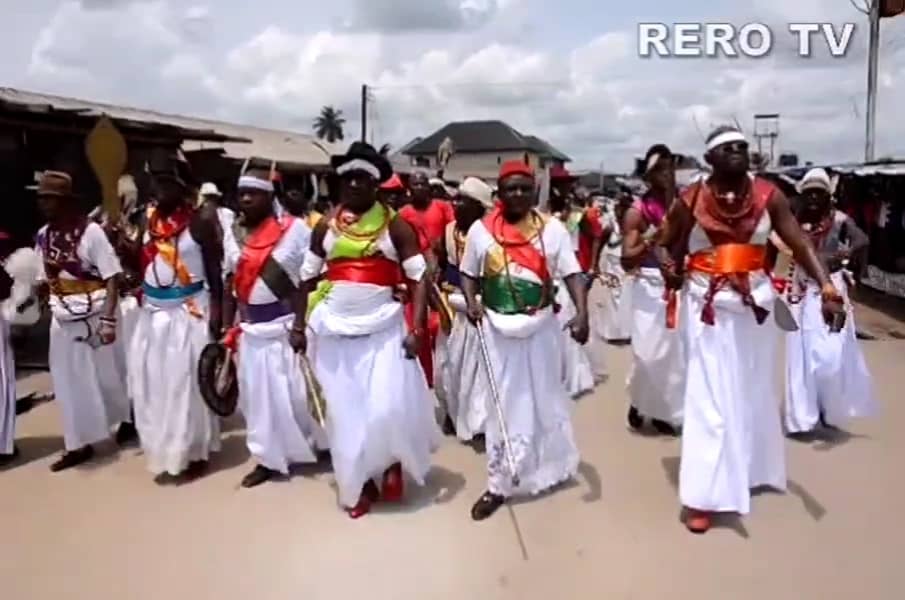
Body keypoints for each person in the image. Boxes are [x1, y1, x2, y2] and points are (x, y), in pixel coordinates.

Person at [657, 127, 846, 533]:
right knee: (709, 399)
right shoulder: (690, 199)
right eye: (729, 148)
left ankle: (747, 470)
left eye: (743, 146)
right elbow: (662, 243)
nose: (739, 152)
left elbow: (799, 243)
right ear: (710, 159)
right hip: (707, 308)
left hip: (755, 309)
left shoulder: (769, 195)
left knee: (750, 391)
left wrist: (828, 286)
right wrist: (669, 266)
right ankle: (703, 496)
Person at [297, 142, 439, 518]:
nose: (355, 185)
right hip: (333, 336)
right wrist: (298, 325)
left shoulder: (396, 226)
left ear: (376, 184)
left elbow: (419, 277)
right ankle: (355, 488)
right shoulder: (324, 228)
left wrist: (418, 327)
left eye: (363, 179)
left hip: (383, 335)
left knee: (385, 409)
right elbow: (306, 278)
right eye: (348, 179)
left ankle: (390, 463)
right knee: (344, 417)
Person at [460, 159, 588, 521]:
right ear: (499, 193)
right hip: (497, 330)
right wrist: (471, 302)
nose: (517, 194)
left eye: (524, 188)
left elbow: (573, 273)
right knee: (503, 402)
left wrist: (583, 312)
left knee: (542, 397)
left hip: (542, 327)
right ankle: (499, 483)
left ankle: (548, 466)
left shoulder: (553, 230)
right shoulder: (481, 232)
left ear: (535, 191)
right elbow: (469, 274)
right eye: (510, 188)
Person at [221, 169, 325, 488]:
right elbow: (229, 281)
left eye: (254, 193)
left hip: (284, 326)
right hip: (251, 330)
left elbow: (307, 280)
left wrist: (299, 325)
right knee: (258, 399)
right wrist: (227, 325)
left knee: (293, 395)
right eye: (242, 194)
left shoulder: (294, 231)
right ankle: (267, 458)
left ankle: (313, 444)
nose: (246, 199)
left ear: (270, 197)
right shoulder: (232, 233)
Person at [128, 151, 223, 480]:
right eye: (156, 182)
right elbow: (135, 265)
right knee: (157, 384)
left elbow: (215, 272)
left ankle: (192, 452)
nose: (160, 188)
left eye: (167, 182)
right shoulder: (145, 222)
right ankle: (163, 447)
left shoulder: (199, 223)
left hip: (190, 312)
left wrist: (218, 318)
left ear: (183, 187)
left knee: (186, 386)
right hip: (153, 315)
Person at [33, 171, 132, 471]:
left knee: (109, 378)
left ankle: (129, 420)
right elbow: (43, 279)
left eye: (49, 198)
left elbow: (112, 277)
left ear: (64, 201)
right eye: (41, 198)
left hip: (95, 316)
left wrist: (109, 321)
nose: (44, 204)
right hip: (62, 320)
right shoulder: (43, 236)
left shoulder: (91, 233)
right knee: (67, 384)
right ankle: (77, 444)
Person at [780, 168, 876, 435]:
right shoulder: (793, 222)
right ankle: (803, 415)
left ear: (827, 197)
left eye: (818, 193)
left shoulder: (840, 220)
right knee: (801, 355)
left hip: (832, 291)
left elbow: (862, 240)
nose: (812, 198)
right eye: (808, 193)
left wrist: (846, 253)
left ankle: (829, 406)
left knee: (831, 354)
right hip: (801, 291)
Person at [621, 145, 685, 436]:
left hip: (680, 285)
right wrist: (650, 239)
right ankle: (639, 401)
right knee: (647, 354)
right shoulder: (638, 211)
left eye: (670, 167)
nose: (667, 174)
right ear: (649, 176)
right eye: (660, 169)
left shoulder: (685, 205)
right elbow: (626, 258)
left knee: (673, 356)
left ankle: (662, 411)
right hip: (648, 286)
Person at [434, 176, 493, 441]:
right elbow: (436, 270)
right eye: (455, 198)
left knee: (478, 368)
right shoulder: (448, 232)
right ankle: (450, 410)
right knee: (448, 364)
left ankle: (477, 420)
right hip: (450, 305)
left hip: (480, 309)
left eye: (462, 200)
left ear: (479, 207)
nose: (454, 204)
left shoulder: (490, 235)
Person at [399, 170, 455, 387]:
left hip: (442, 274)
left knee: (444, 324)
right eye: (415, 184)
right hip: (415, 275)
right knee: (418, 321)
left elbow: (451, 234)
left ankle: (444, 374)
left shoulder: (442, 207)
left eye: (423, 184)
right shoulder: (403, 214)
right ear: (409, 188)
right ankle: (424, 375)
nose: (419, 188)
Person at [597, 191, 633, 343]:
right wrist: (595, 265)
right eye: (620, 207)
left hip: (628, 265)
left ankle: (626, 332)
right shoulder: (611, 224)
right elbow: (599, 243)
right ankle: (613, 333)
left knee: (627, 298)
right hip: (613, 264)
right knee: (613, 297)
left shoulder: (633, 222)